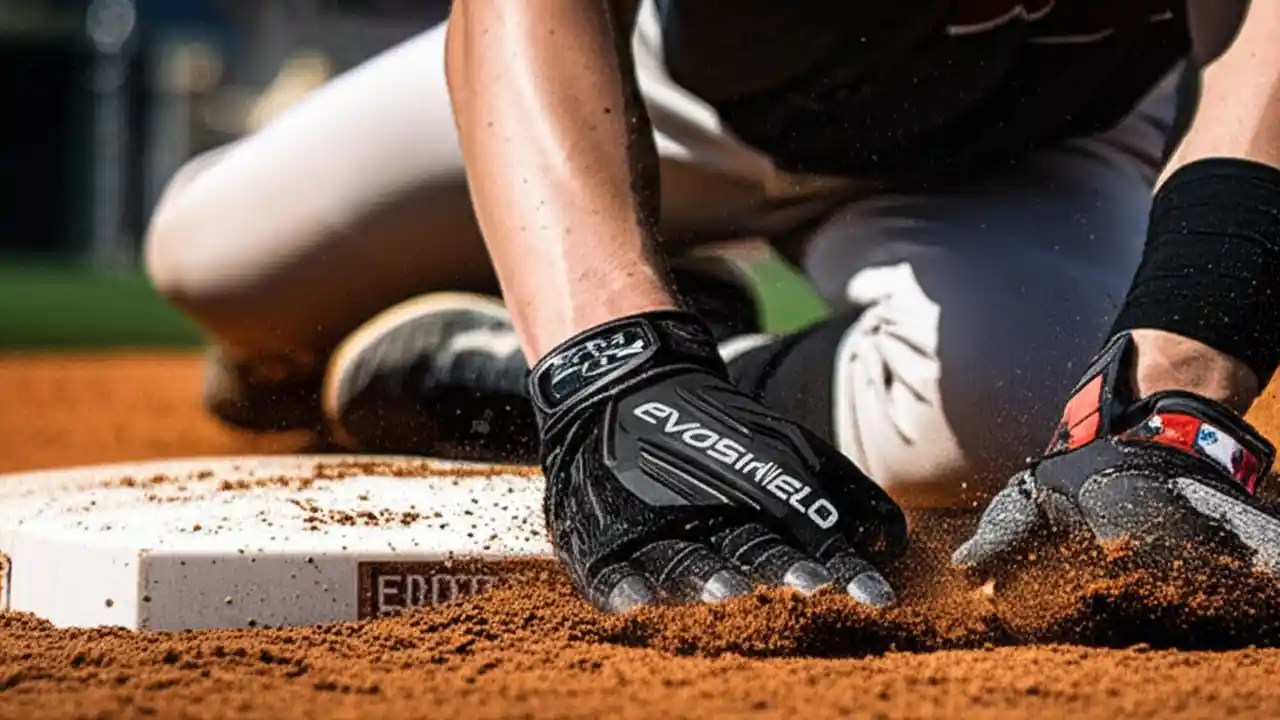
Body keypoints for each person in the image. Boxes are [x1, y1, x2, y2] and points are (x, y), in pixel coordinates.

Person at [144, 0, 1275, 611]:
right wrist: (608, 358)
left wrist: (1176, 391)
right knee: (211, 261)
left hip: (1026, 157)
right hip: (663, 89)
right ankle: (617, 320)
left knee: (1016, 401)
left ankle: (591, 357)